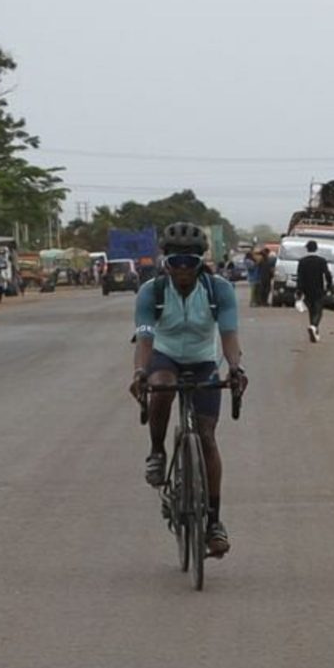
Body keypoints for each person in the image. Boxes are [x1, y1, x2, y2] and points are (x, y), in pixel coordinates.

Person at [129, 222, 246, 558]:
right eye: (176, 261)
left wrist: (235, 368)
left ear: (200, 261)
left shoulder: (218, 290)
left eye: (190, 262)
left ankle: (213, 521)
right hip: (164, 357)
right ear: (166, 260)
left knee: (207, 437)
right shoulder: (152, 292)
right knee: (162, 385)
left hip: (203, 361)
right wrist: (140, 372)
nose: (183, 268)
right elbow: (146, 338)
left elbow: (229, 336)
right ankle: (157, 451)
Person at [297, 239, 332, 342]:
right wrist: (329, 285)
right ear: (316, 248)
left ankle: (315, 331)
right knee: (319, 310)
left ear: (307, 249)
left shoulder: (302, 261)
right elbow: (327, 274)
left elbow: (300, 277)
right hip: (318, 288)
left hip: (306, 289)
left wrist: (299, 290)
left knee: (311, 310)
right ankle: (314, 326)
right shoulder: (321, 261)